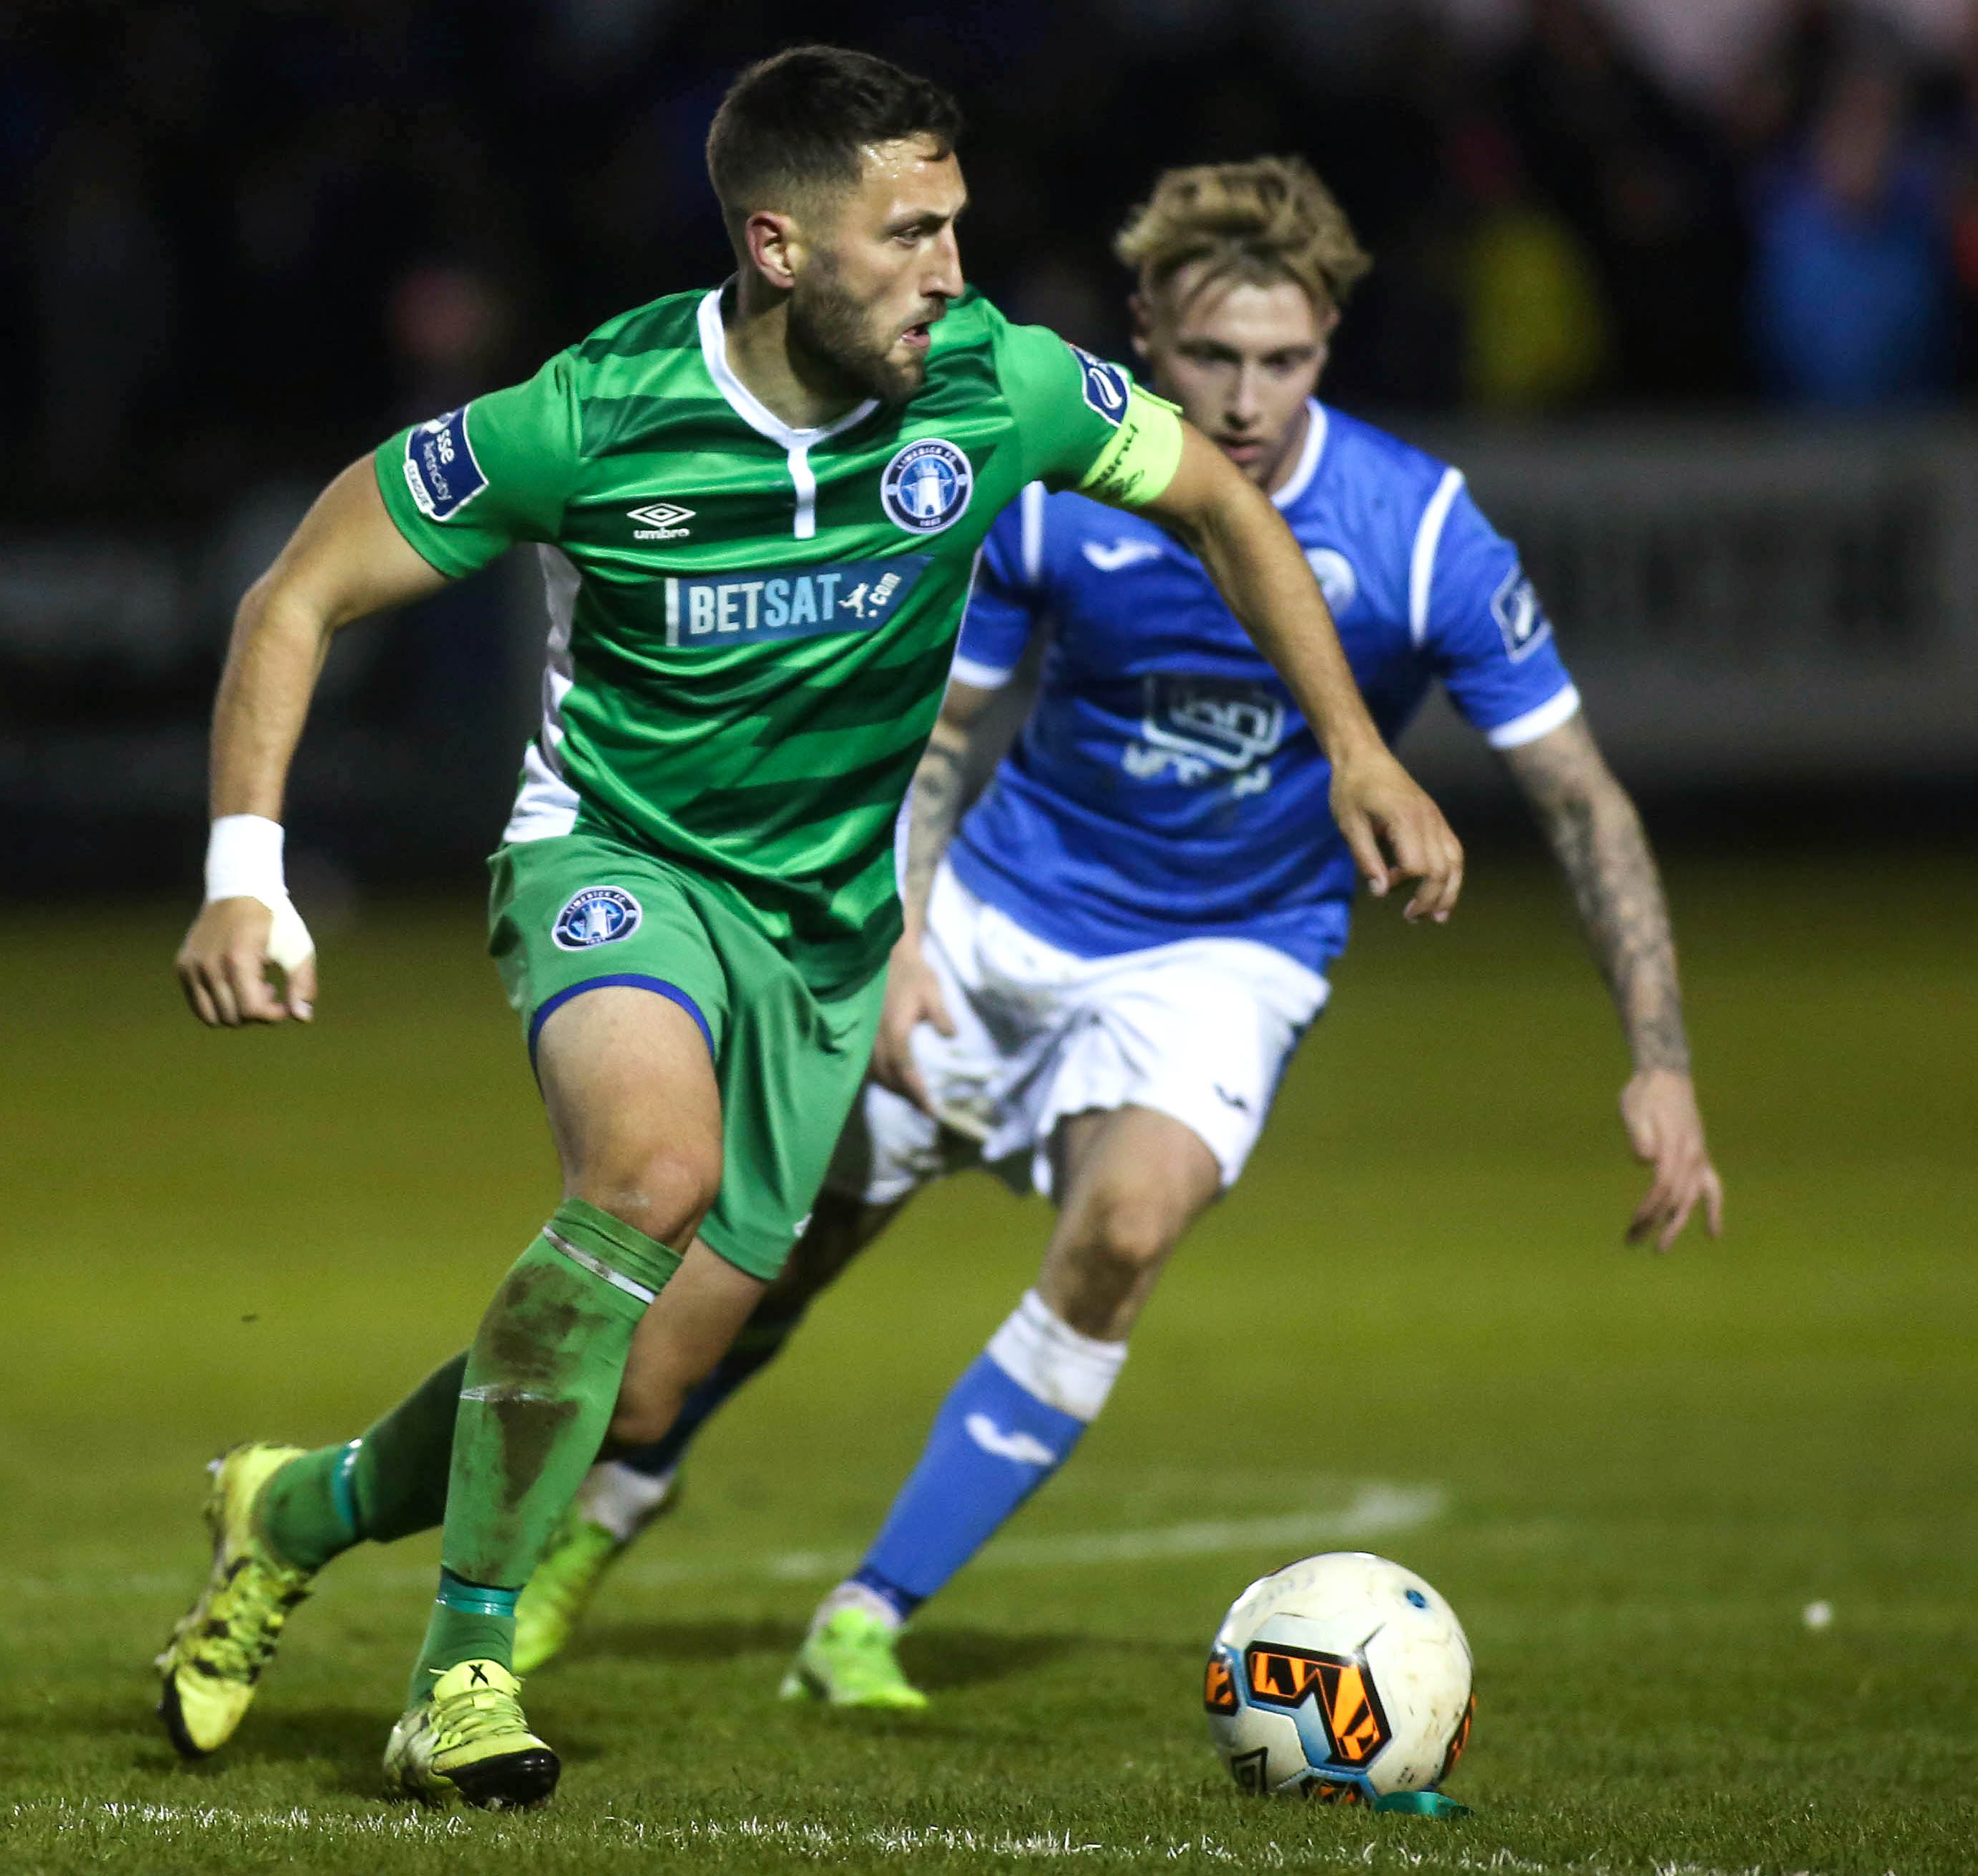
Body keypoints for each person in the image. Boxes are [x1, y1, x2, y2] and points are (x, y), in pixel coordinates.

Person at [154, 57, 1461, 1811]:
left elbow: (1224, 507)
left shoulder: (994, 386)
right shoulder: (593, 414)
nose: (947, 268)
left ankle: (289, 1509)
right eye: (907, 232)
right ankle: (459, 1672)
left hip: (824, 930)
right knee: (644, 1174)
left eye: (955, 228)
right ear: (777, 244)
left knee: (632, 1390)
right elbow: (297, 588)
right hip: (613, 859)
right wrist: (249, 868)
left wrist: (1360, 753)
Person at [510, 154, 1723, 1710]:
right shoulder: (1064, 494)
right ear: (1146, 333)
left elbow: (1582, 802)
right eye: (1212, 357)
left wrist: (1660, 1061)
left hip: (1224, 957)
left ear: (1329, 343)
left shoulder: (1420, 535)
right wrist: (902, 934)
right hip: (996, 916)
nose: (1243, 397)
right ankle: (595, 1525)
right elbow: (935, 741)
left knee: (1129, 1229)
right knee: (764, 1267)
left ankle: (867, 1617)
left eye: (1281, 360)